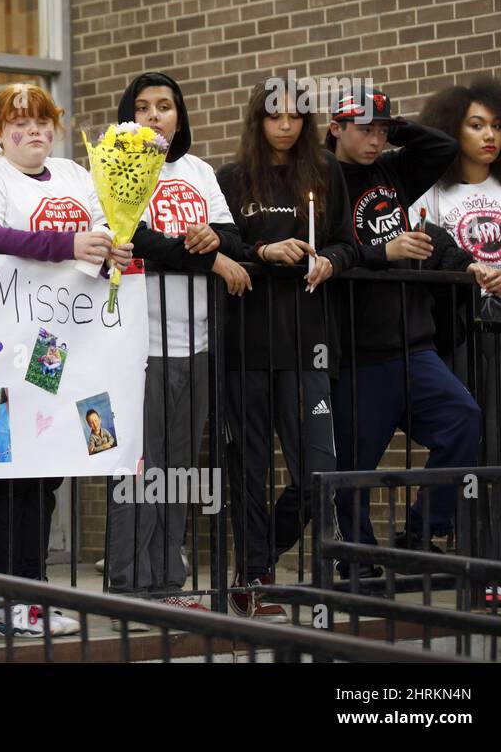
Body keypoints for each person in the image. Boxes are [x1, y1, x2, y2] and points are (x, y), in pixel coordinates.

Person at [0, 83, 131, 637]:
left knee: (44, 476)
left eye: (42, 122)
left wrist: (111, 249)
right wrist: (65, 245)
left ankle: (26, 595)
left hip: (60, 352)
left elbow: (102, 229)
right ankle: (1, 597)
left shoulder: (76, 176)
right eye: (19, 124)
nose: (33, 132)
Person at [327, 87, 501, 575]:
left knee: (463, 419)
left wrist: (388, 120)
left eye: (382, 132)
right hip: (358, 349)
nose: (375, 140)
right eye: (364, 129)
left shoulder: (393, 170)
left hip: (414, 343)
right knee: (354, 464)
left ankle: (422, 535)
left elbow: (442, 148)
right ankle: (356, 556)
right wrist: (385, 253)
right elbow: (328, 251)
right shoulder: (322, 177)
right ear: (336, 128)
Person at [105, 71, 246, 627]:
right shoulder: (120, 166)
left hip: (200, 341)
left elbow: (233, 237)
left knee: (180, 464)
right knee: (139, 463)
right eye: (142, 107)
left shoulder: (198, 171)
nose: (154, 115)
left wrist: (216, 242)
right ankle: (128, 582)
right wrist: (207, 258)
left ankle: (165, 577)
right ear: (128, 115)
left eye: (165, 106)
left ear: (179, 115)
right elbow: (135, 238)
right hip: (142, 343)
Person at [216, 81, 358, 621]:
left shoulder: (325, 171)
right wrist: (260, 250)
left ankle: (271, 554)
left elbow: (347, 241)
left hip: (307, 344)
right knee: (249, 468)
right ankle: (250, 577)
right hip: (245, 343)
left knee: (316, 470)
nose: (285, 125)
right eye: (274, 115)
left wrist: (332, 262)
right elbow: (219, 241)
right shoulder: (230, 178)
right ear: (258, 120)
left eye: (296, 116)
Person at [414, 76, 501, 604]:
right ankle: (477, 568)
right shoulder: (434, 190)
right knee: (473, 442)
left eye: (497, 126)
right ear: (452, 128)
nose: (489, 136)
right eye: (476, 125)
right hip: (455, 330)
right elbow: (423, 255)